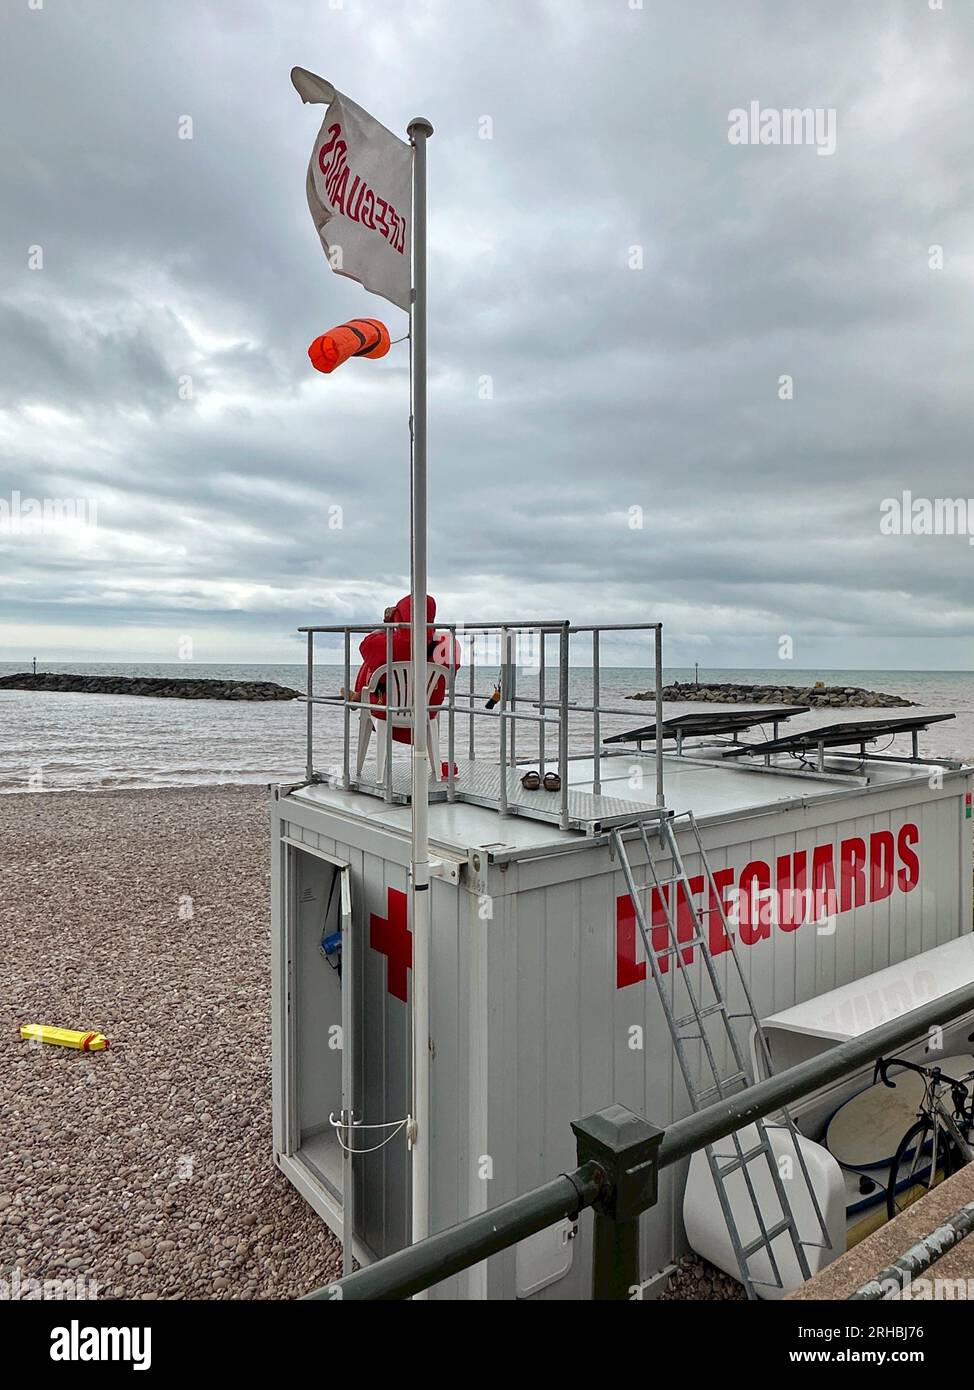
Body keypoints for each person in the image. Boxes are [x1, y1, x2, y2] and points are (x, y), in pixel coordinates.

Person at [347, 594, 460, 745]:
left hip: (389, 711)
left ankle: (359, 696)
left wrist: (387, 623)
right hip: (428, 712)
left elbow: (365, 644)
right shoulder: (448, 643)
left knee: (371, 664)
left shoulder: (388, 643)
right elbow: (450, 677)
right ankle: (359, 696)